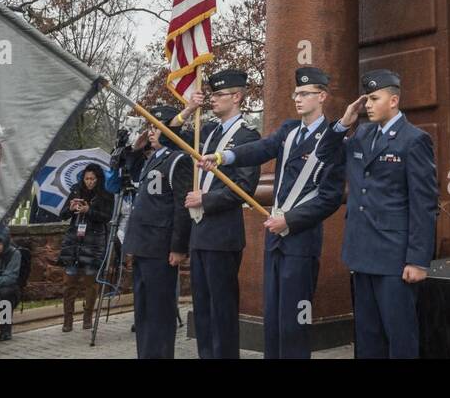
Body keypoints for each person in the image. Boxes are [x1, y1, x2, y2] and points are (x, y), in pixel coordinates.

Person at [198, 66, 347, 359]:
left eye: (305, 93)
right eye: (296, 93)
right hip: (275, 239)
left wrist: (289, 220)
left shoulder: (332, 140)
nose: (298, 99)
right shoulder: (289, 130)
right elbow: (261, 148)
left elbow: (330, 199)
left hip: (301, 240)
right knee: (274, 321)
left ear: (322, 96)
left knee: (294, 322)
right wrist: (223, 156)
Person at [314, 69, 437, 359]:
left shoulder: (414, 139)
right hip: (361, 251)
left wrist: (418, 260)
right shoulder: (361, 134)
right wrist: (344, 122)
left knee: (399, 335)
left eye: (373, 98)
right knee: (367, 338)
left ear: (393, 100)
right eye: (366, 98)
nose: (367, 104)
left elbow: (424, 203)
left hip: (394, 256)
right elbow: (324, 155)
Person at [175, 69, 260, 360]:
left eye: (219, 95)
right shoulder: (207, 130)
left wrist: (205, 198)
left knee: (222, 308)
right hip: (200, 232)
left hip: (223, 233)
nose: (212, 100)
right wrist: (189, 108)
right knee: (202, 307)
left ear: (236, 97)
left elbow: (244, 188)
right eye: (210, 95)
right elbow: (171, 136)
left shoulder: (248, 136)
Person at [121, 104, 192, 359]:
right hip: (142, 243)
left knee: (160, 312)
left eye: (157, 126)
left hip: (161, 245)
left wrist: (178, 246)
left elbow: (181, 206)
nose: (152, 132)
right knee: (143, 310)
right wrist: (135, 150)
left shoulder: (179, 160)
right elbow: (128, 174)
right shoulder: (152, 157)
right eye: (150, 126)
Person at [58, 163, 114, 332]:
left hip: (94, 242)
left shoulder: (106, 194)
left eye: (93, 179)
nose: (89, 182)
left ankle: (87, 316)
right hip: (74, 242)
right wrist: (71, 208)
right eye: (87, 178)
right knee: (69, 282)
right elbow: (62, 215)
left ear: (98, 179)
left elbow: (107, 217)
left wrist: (89, 210)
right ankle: (67, 319)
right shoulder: (76, 190)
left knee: (91, 283)